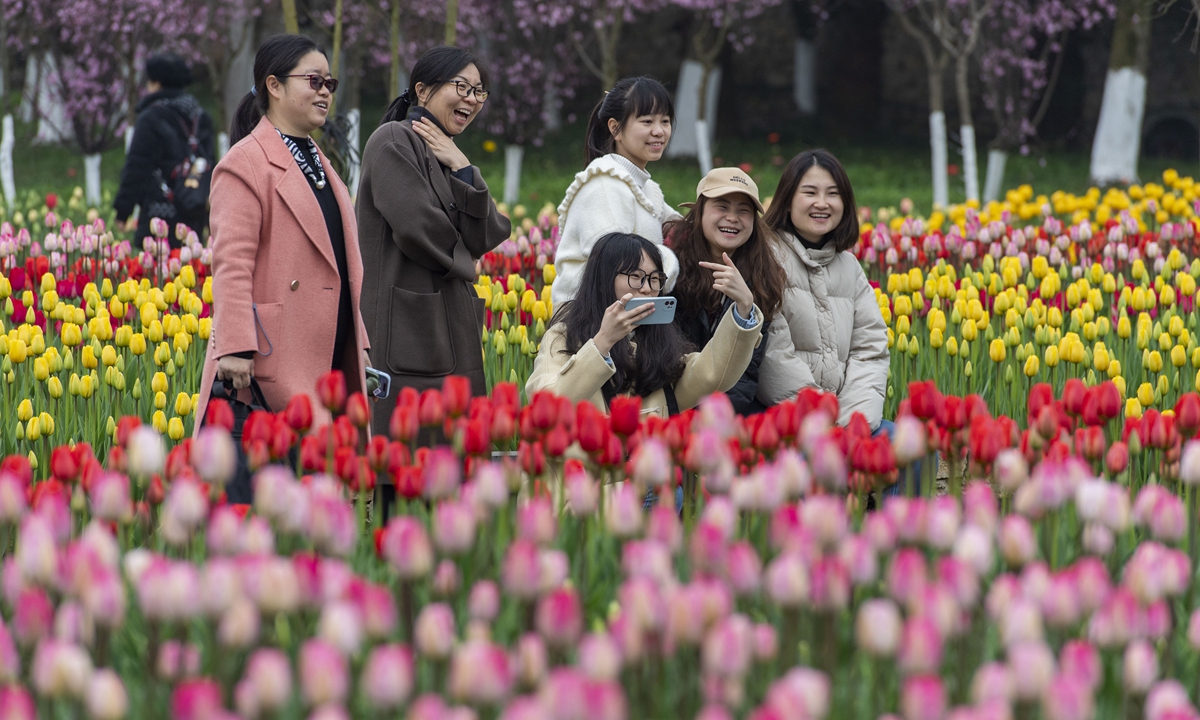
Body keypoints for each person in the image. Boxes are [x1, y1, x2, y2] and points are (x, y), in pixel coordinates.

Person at [194, 34, 370, 443]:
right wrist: (235, 345)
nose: (325, 91)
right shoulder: (245, 163)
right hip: (270, 355)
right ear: (274, 86)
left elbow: (342, 262)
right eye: (313, 80)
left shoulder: (320, 164)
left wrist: (359, 339)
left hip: (325, 348)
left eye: (330, 83)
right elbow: (232, 263)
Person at [357, 46, 510, 443]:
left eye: (479, 91)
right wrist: (466, 255)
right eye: (461, 86)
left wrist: (463, 167)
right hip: (406, 327)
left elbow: (488, 233)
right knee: (410, 461)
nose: (472, 99)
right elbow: (419, 229)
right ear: (422, 91)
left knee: (444, 470)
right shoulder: (394, 140)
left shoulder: (447, 153)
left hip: (445, 324)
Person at [528, 231, 763, 421]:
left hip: (649, 473)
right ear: (603, 280)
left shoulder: (661, 347)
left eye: (654, 279)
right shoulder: (564, 337)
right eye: (636, 276)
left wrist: (744, 307)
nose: (647, 288)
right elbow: (548, 408)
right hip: (587, 476)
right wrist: (602, 344)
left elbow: (712, 375)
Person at [757, 148, 891, 434]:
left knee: (911, 451)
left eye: (833, 193)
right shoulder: (765, 260)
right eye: (810, 192)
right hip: (787, 418)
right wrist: (824, 420)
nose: (822, 203)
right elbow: (773, 357)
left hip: (848, 420)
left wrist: (853, 423)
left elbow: (870, 349)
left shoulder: (849, 267)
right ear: (788, 199)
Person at [551, 77, 681, 306]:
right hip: (589, 326)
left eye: (665, 121)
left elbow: (683, 231)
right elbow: (617, 266)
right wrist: (673, 259)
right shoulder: (604, 185)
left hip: (626, 318)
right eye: (647, 121)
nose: (659, 131)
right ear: (615, 128)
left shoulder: (645, 187)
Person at [667, 167, 786, 416]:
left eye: (743, 211)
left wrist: (745, 308)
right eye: (721, 207)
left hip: (726, 415)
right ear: (699, 212)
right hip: (674, 408)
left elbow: (747, 374)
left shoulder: (762, 276)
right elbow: (666, 359)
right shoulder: (669, 269)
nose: (732, 218)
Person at [113, 52, 215, 243]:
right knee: (190, 268)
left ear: (157, 84)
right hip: (194, 209)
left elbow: (137, 166)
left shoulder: (151, 118)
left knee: (158, 270)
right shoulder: (201, 117)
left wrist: (123, 210)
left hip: (159, 212)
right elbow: (210, 164)